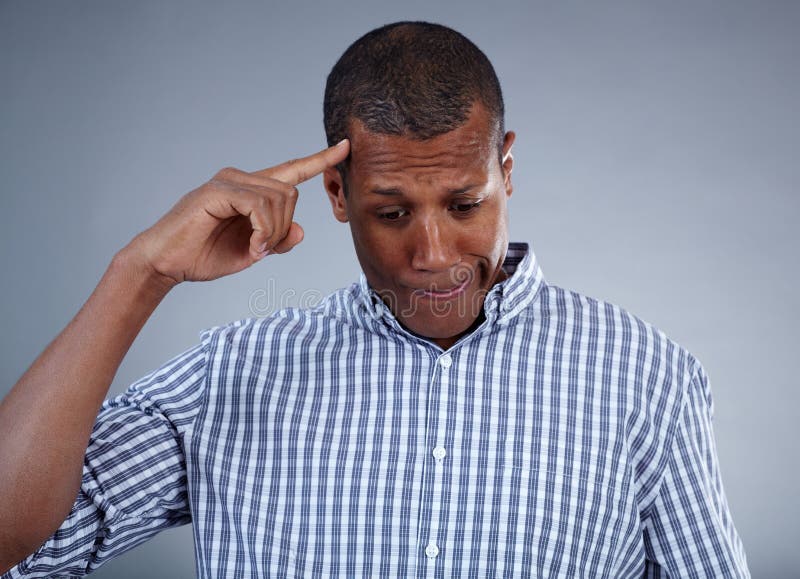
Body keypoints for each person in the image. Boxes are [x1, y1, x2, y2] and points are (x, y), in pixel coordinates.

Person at [0, 21, 749, 578]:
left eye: (465, 205)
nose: (433, 256)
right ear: (336, 192)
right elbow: (12, 539)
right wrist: (140, 273)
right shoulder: (229, 376)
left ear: (507, 168)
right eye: (392, 213)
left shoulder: (645, 377)